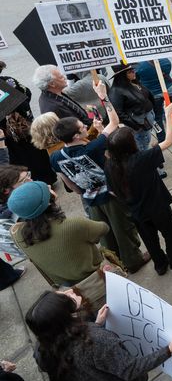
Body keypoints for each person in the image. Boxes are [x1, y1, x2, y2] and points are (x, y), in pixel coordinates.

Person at [25, 289, 172, 381]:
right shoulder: (96, 340)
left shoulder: (43, 347)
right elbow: (130, 369)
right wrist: (168, 350)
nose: (70, 291)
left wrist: (96, 323)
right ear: (65, 315)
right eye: (65, 296)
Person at [50, 107, 151, 273]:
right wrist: (103, 97)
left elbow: (68, 183)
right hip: (111, 195)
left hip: (90, 198)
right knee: (123, 229)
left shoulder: (55, 157)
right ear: (75, 136)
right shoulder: (93, 148)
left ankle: (116, 262)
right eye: (82, 127)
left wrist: (83, 192)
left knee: (105, 234)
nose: (85, 127)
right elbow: (114, 122)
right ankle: (133, 261)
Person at [105, 104, 172, 276]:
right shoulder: (141, 159)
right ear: (130, 144)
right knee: (171, 235)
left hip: (136, 211)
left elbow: (112, 191)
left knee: (150, 240)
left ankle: (160, 265)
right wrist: (167, 115)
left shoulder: (110, 165)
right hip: (158, 206)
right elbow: (169, 141)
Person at [8, 181, 109, 288]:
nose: (49, 185)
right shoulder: (73, 225)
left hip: (65, 286)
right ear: (48, 203)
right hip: (94, 278)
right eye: (47, 190)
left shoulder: (15, 233)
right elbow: (104, 228)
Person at [135, 59, 172, 141]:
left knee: (157, 117)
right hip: (169, 89)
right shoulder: (165, 61)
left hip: (153, 94)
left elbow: (137, 78)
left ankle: (162, 139)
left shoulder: (139, 66)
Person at [108, 64, 156, 153]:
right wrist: (137, 126)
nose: (134, 72)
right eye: (130, 72)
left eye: (133, 70)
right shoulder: (116, 91)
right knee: (142, 145)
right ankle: (147, 162)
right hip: (139, 124)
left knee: (146, 141)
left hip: (147, 119)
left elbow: (146, 96)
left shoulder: (133, 82)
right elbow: (119, 113)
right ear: (122, 75)